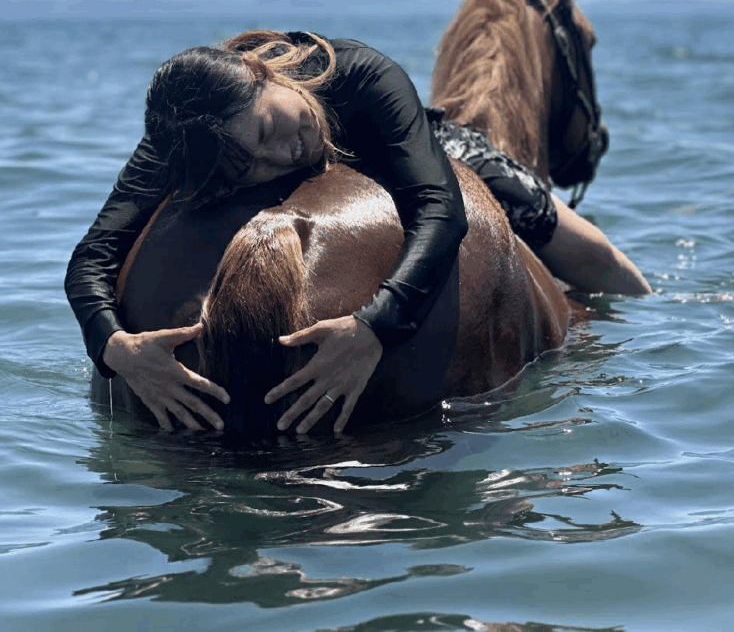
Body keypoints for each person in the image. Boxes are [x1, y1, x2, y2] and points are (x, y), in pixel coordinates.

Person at [65, 29, 649, 435]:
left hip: (412, 149)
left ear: (261, 73)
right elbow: (92, 255)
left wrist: (375, 327)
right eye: (254, 165)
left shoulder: (363, 73)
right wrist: (117, 349)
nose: (285, 154)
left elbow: (442, 209)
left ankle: (653, 315)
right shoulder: (179, 138)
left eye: (271, 126)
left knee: (596, 257)